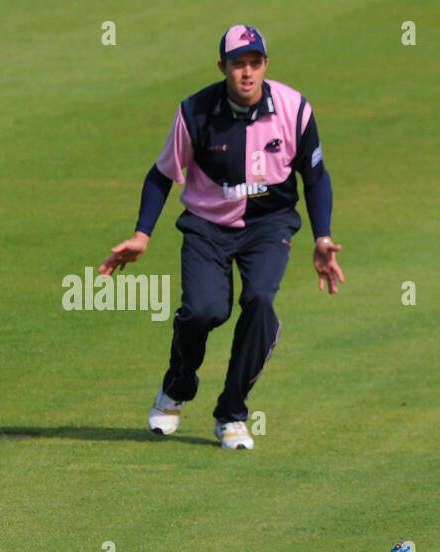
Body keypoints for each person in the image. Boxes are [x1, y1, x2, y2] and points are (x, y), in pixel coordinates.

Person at [98, 25, 344, 450]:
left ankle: (231, 414)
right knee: (203, 311)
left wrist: (323, 238)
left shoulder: (294, 109)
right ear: (222, 67)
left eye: (254, 63)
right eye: (237, 65)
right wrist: (142, 234)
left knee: (260, 302)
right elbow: (161, 175)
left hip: (269, 226)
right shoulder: (195, 112)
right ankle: (175, 388)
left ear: (265, 64)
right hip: (207, 226)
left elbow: (315, 177)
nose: (246, 73)